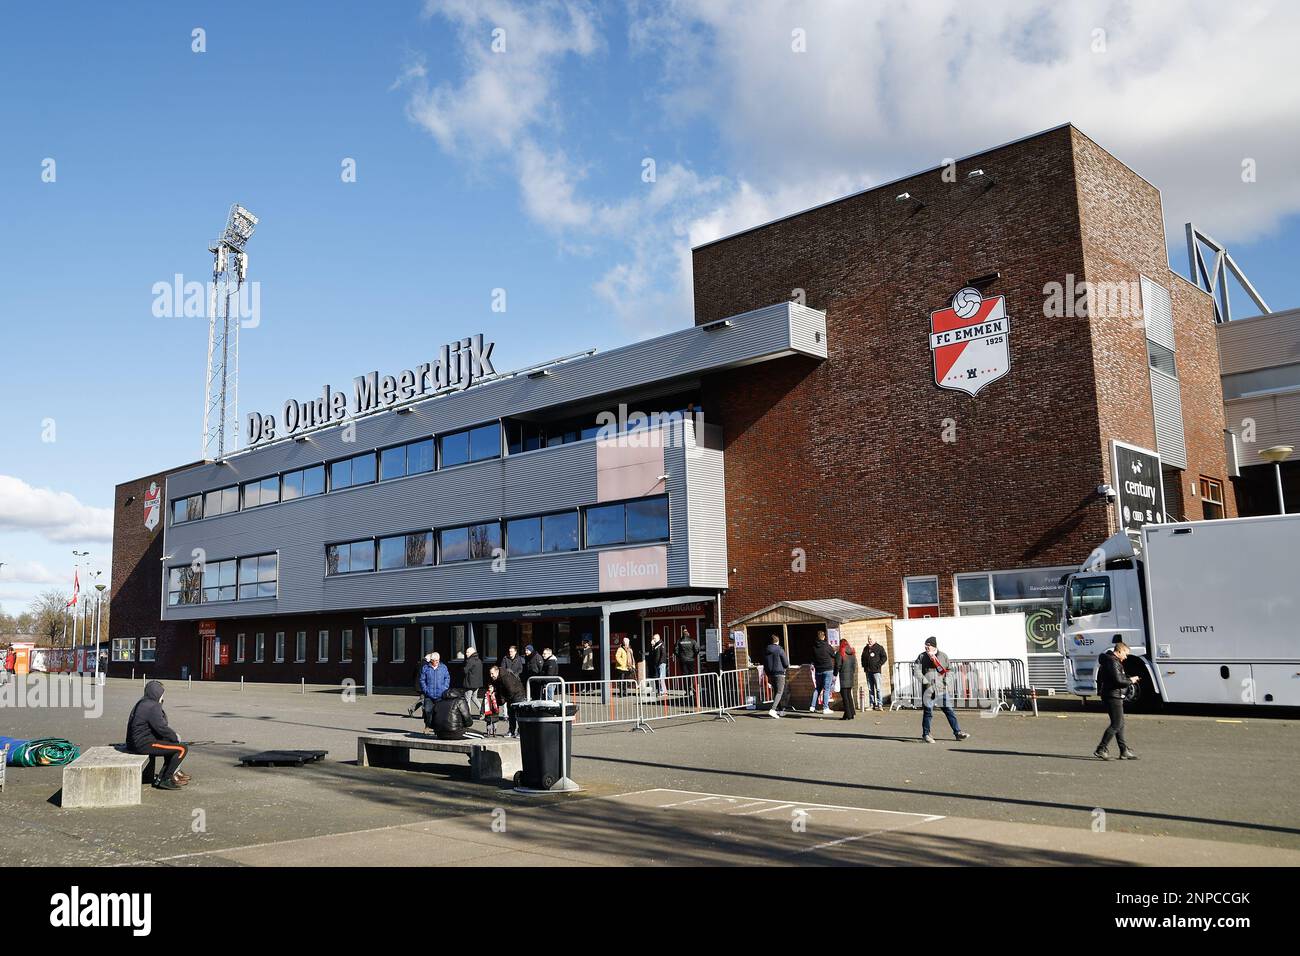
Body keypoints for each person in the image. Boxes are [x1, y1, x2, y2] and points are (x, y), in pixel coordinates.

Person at [125, 680, 190, 790]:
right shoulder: (153, 706)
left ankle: (163, 776)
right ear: (157, 693)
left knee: (170, 743)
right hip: (143, 744)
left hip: (135, 742)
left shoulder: (143, 702)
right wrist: (174, 738)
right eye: (162, 694)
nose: (163, 696)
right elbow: (161, 727)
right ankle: (166, 779)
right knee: (181, 749)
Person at [916, 637, 970, 743]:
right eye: (925, 645)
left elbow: (949, 670)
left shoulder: (943, 656)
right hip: (928, 690)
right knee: (928, 712)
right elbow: (917, 671)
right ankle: (926, 734)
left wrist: (945, 682)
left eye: (928, 645)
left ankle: (957, 733)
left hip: (942, 689)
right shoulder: (922, 656)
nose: (926, 647)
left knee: (949, 711)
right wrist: (925, 682)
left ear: (934, 646)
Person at [1094, 638, 1140, 760]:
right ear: (1119, 651)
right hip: (1112, 695)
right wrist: (1131, 680)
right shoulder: (1112, 662)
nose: (1126, 657)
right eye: (1126, 654)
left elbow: (1117, 677)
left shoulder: (1112, 661)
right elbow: (1118, 680)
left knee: (1120, 723)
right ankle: (1101, 749)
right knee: (1117, 724)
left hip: (1113, 694)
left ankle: (1123, 750)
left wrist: (1128, 678)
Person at [489, 663, 526, 737]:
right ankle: (511, 731)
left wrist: (504, 699)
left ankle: (520, 732)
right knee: (511, 714)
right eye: (490, 674)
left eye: (492, 673)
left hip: (517, 694)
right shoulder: (498, 678)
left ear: (497, 672)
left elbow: (511, 690)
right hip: (510, 696)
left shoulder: (505, 677)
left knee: (518, 714)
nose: (491, 675)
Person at [418, 652, 450, 732]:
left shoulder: (443, 667)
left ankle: (437, 728)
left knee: (439, 713)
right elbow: (422, 680)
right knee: (427, 711)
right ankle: (427, 726)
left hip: (440, 694)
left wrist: (445, 688)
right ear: (431, 660)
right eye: (434, 661)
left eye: (437, 661)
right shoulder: (426, 668)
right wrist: (425, 689)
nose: (436, 662)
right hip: (429, 694)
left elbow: (447, 678)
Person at [809, 630, 835, 714]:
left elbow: (812, 658)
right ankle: (825, 708)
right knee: (826, 689)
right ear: (824, 637)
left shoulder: (814, 647)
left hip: (818, 670)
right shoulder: (827, 646)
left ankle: (812, 706)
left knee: (817, 688)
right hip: (828, 669)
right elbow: (833, 655)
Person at [764, 634, 790, 718]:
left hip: (770, 673)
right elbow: (786, 663)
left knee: (776, 692)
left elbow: (765, 663)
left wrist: (768, 673)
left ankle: (778, 711)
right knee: (779, 692)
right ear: (778, 641)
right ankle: (773, 709)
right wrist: (785, 667)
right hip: (779, 673)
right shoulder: (780, 649)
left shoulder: (766, 650)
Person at [862, 634, 888, 711]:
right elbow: (862, 658)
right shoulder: (865, 648)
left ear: (874, 639)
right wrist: (864, 666)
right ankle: (871, 704)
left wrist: (878, 665)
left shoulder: (879, 647)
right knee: (870, 689)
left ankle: (880, 704)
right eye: (868, 639)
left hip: (876, 671)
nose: (869, 640)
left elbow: (884, 657)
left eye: (870, 639)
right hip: (868, 671)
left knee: (878, 688)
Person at [835, 639, 859, 720]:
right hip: (850, 677)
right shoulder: (852, 653)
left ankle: (848, 714)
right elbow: (854, 666)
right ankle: (851, 713)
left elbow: (838, 665)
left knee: (845, 697)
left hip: (843, 677)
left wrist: (835, 674)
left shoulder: (840, 653)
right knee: (849, 695)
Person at [462, 646, 484, 715]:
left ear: (472, 653)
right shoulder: (479, 660)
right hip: (477, 683)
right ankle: (482, 711)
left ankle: (468, 715)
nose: (466, 653)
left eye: (467, 652)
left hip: (470, 683)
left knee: (467, 699)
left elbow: (465, 670)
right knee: (474, 698)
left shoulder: (470, 661)